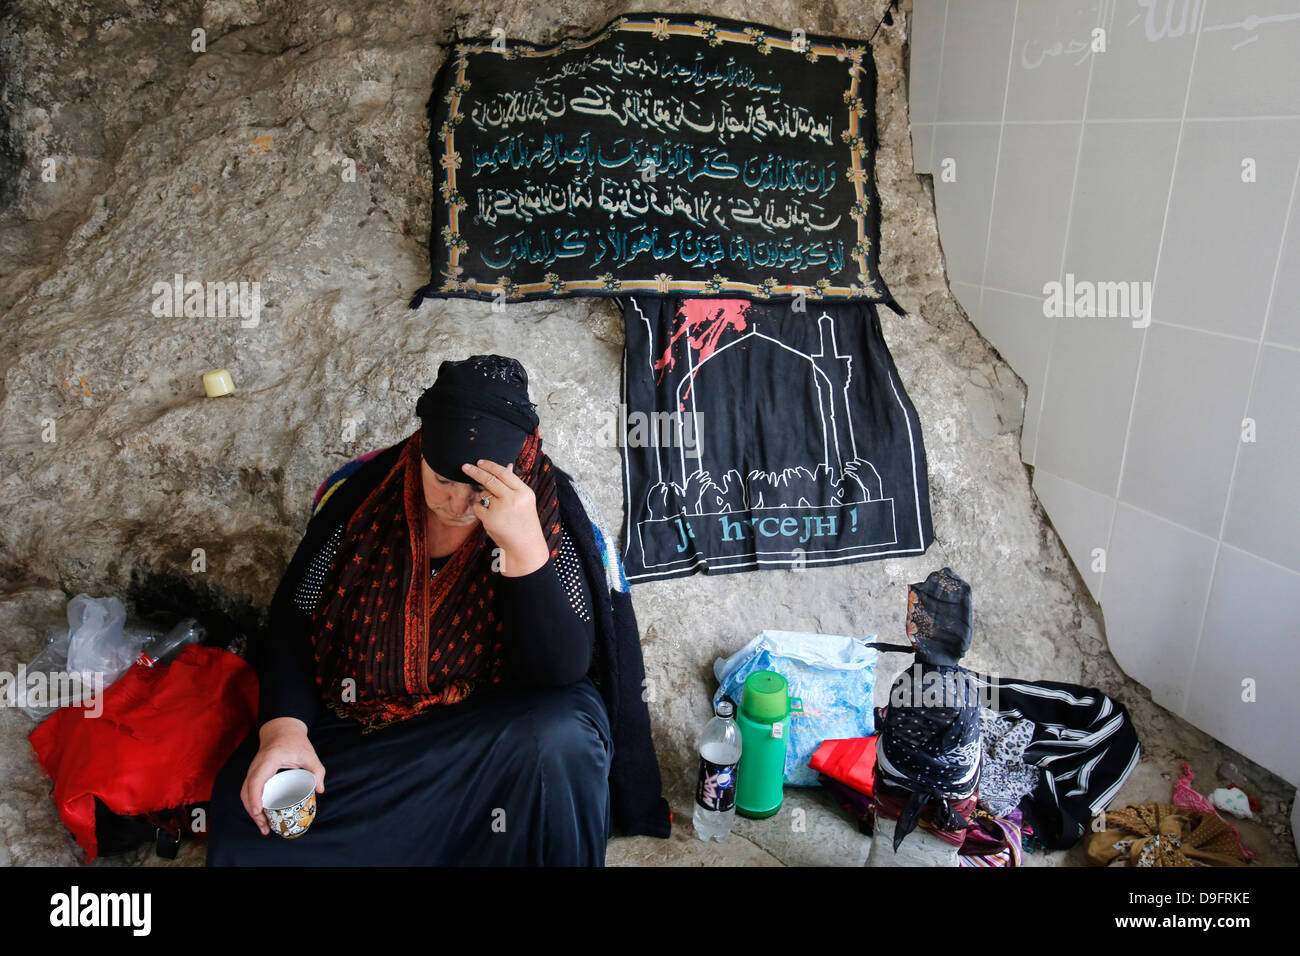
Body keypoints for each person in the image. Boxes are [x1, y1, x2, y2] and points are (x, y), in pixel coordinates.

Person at [206, 355, 670, 865]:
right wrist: (284, 732)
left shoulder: (554, 508)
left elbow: (560, 672)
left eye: (479, 487)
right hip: (372, 728)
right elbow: (294, 625)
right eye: (442, 479)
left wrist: (525, 552)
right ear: (419, 451)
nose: (456, 503)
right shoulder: (361, 496)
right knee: (246, 815)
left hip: (492, 740)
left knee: (562, 740)